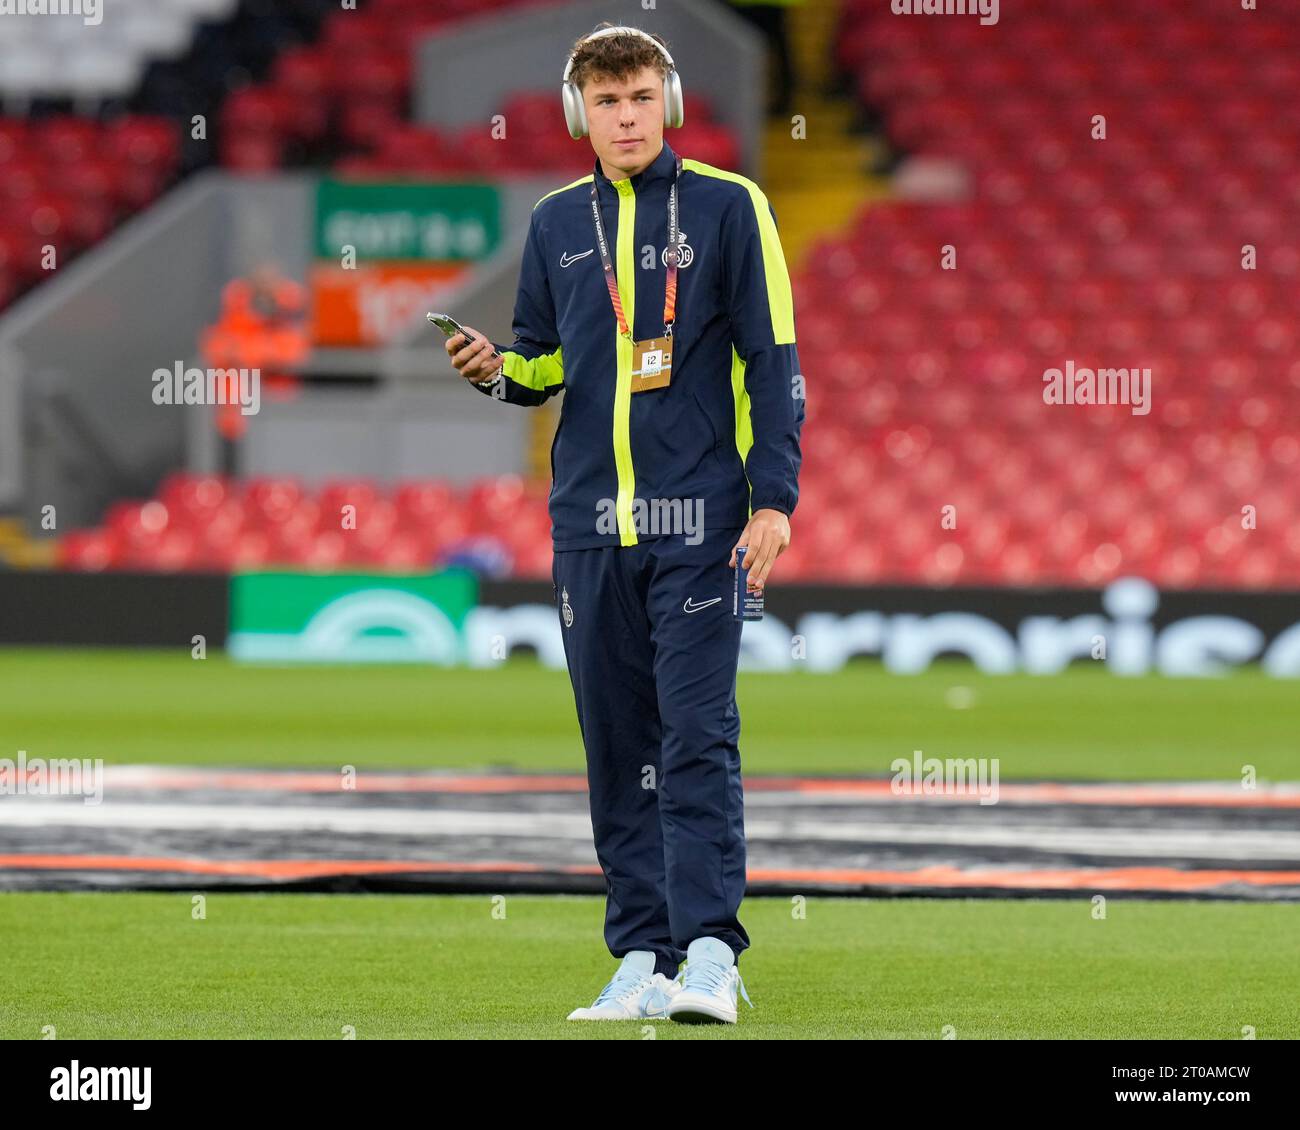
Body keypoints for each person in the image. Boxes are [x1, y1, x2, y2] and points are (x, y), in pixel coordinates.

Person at [445, 23, 804, 1024]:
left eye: (641, 96)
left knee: (695, 736)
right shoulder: (557, 223)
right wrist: (496, 374)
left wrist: (774, 498)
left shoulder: (734, 208)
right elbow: (542, 364)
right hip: (589, 529)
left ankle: (708, 953)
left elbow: (773, 363)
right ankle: (640, 952)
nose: (626, 116)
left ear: (671, 102)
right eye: (606, 102)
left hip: (700, 525)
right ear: (579, 116)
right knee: (615, 747)